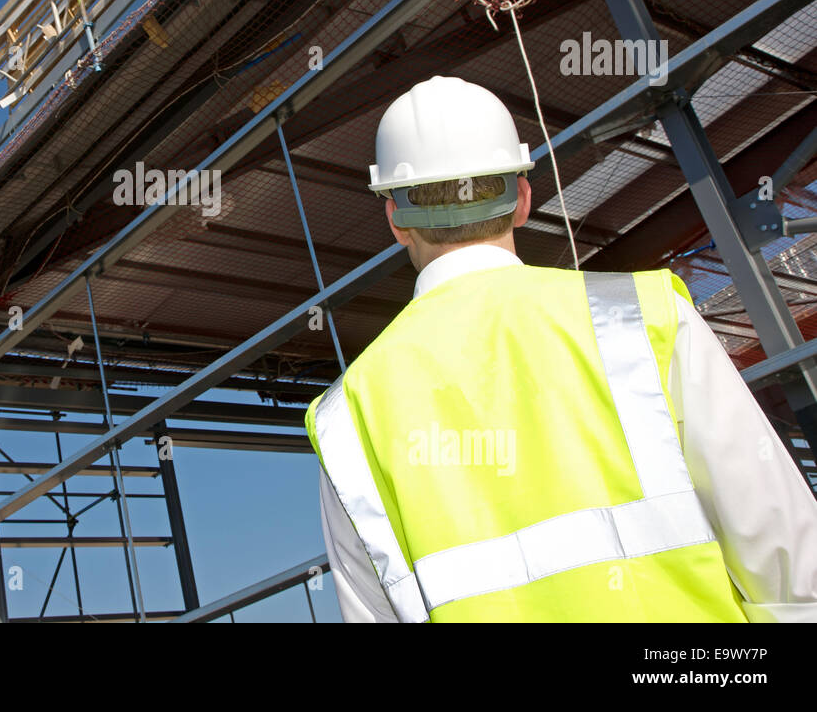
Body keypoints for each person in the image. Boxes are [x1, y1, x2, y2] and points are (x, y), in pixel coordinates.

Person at [306, 74, 817, 622]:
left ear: (395, 222)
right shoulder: (641, 317)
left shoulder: (347, 418)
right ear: (523, 199)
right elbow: (785, 556)